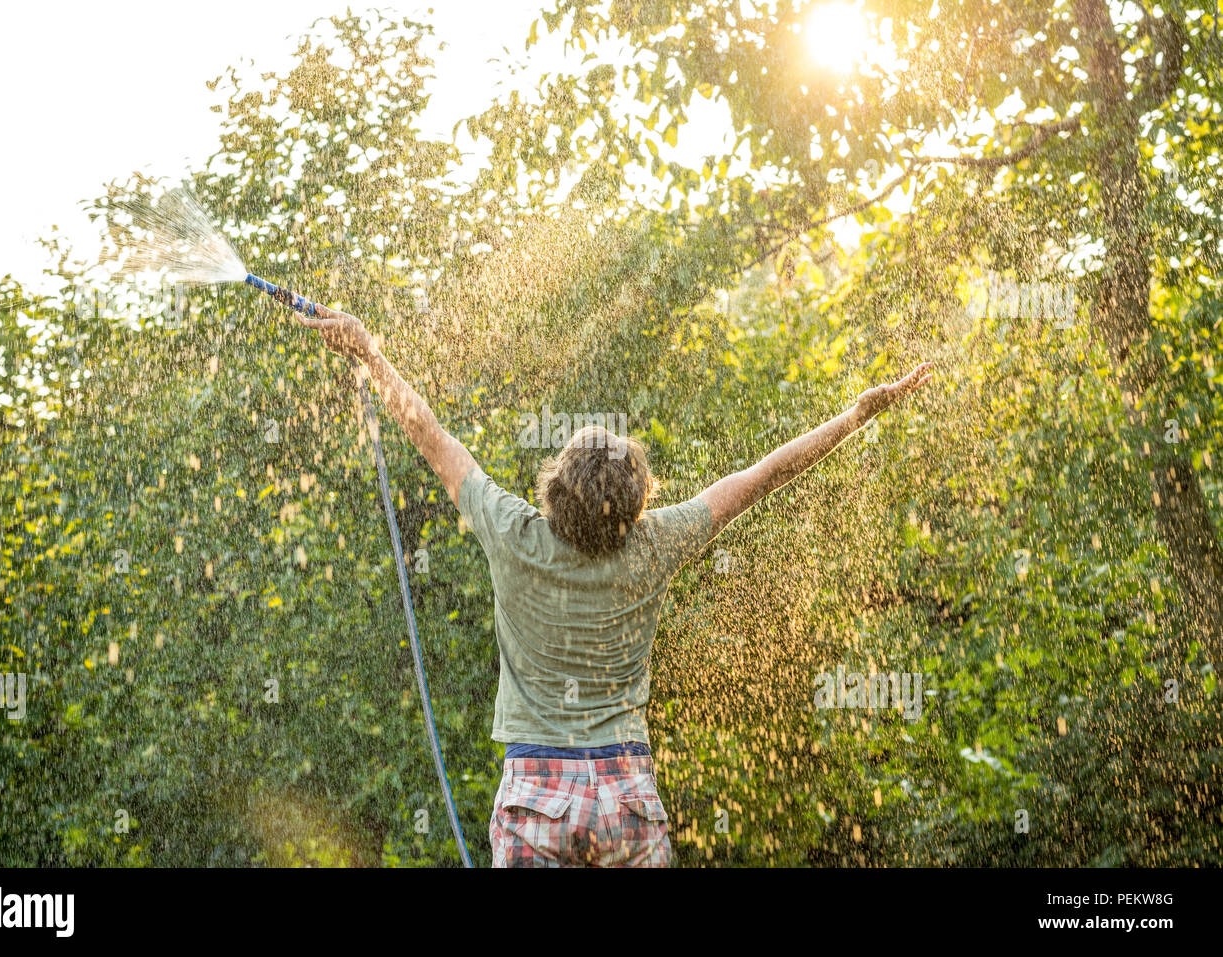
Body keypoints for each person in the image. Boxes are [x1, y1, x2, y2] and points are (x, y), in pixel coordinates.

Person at [297, 303, 933, 867]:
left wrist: (369, 353)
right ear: (637, 499)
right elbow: (762, 476)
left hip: (536, 794)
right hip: (626, 795)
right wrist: (855, 416)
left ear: (556, 484)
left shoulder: (512, 534)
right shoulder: (656, 542)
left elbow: (428, 433)